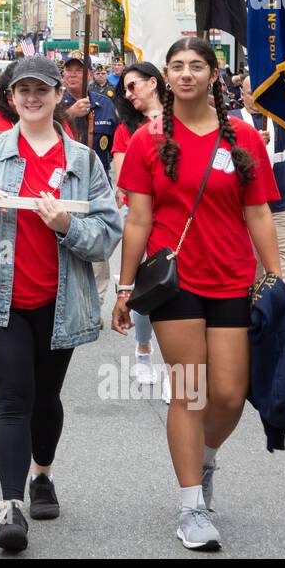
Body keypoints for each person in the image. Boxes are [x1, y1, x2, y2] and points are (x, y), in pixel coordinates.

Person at [0, 56, 122, 552]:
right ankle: (10, 505)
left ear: (57, 95)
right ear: (11, 95)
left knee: (46, 399)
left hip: (60, 303)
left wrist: (65, 225)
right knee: (14, 400)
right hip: (4, 303)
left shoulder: (82, 161)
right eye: (22, 89)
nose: (31, 97)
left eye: (41, 89)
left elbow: (107, 235)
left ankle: (43, 473)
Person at [113, 37, 281, 552]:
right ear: (166, 76)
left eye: (196, 66)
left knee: (230, 394)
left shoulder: (243, 140)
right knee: (189, 390)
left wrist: (274, 278)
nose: (186, 74)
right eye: (177, 67)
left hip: (233, 279)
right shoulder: (148, 139)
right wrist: (124, 285)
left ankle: (204, 461)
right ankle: (190, 506)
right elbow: (139, 217)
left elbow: (258, 212)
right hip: (175, 282)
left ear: (214, 74)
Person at [109, 62, 166, 385]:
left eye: (132, 86)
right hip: (141, 216)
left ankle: (177, 364)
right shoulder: (127, 130)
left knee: (179, 291)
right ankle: (143, 349)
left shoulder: (181, 121)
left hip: (178, 218)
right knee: (144, 289)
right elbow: (124, 178)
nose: (128, 95)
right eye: (124, 90)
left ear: (153, 83)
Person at [235, 76, 285, 299]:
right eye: (250, 91)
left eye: (261, 91)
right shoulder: (230, 120)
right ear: (242, 95)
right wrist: (250, 141)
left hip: (281, 207)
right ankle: (255, 320)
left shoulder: (281, 120)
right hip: (244, 210)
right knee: (251, 269)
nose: (255, 96)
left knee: (283, 265)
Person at [60, 56, 117, 174]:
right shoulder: (55, 103)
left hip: (99, 179)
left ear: (90, 75)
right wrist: (70, 114)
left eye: (79, 70)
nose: (72, 75)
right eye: (69, 70)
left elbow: (117, 144)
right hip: (65, 178)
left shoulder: (105, 104)